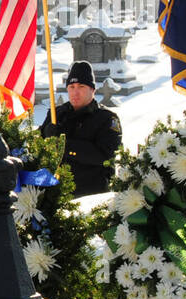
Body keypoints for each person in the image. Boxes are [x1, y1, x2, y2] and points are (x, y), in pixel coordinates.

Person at [39, 60, 123, 197]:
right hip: (56, 192)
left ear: (92, 90)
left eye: (81, 86)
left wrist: (65, 144)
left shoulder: (107, 119)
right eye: (71, 87)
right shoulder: (58, 113)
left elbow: (104, 156)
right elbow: (37, 146)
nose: (75, 92)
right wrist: (44, 133)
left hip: (91, 194)